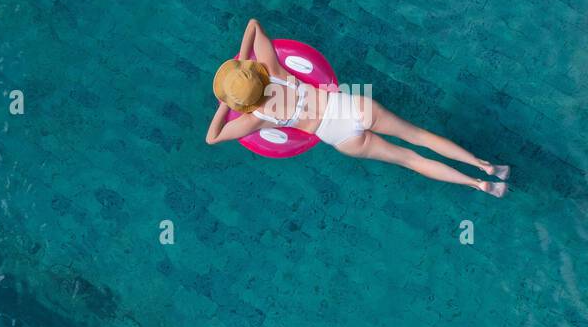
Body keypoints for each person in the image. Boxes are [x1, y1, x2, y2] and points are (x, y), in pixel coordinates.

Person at [206, 19, 509, 196]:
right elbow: (253, 24)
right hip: (352, 105)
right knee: (420, 136)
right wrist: (240, 61)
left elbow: (213, 138)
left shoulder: (255, 121)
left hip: (339, 137)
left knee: (410, 160)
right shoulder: (273, 70)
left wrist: (225, 104)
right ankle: (486, 165)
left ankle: (479, 184)